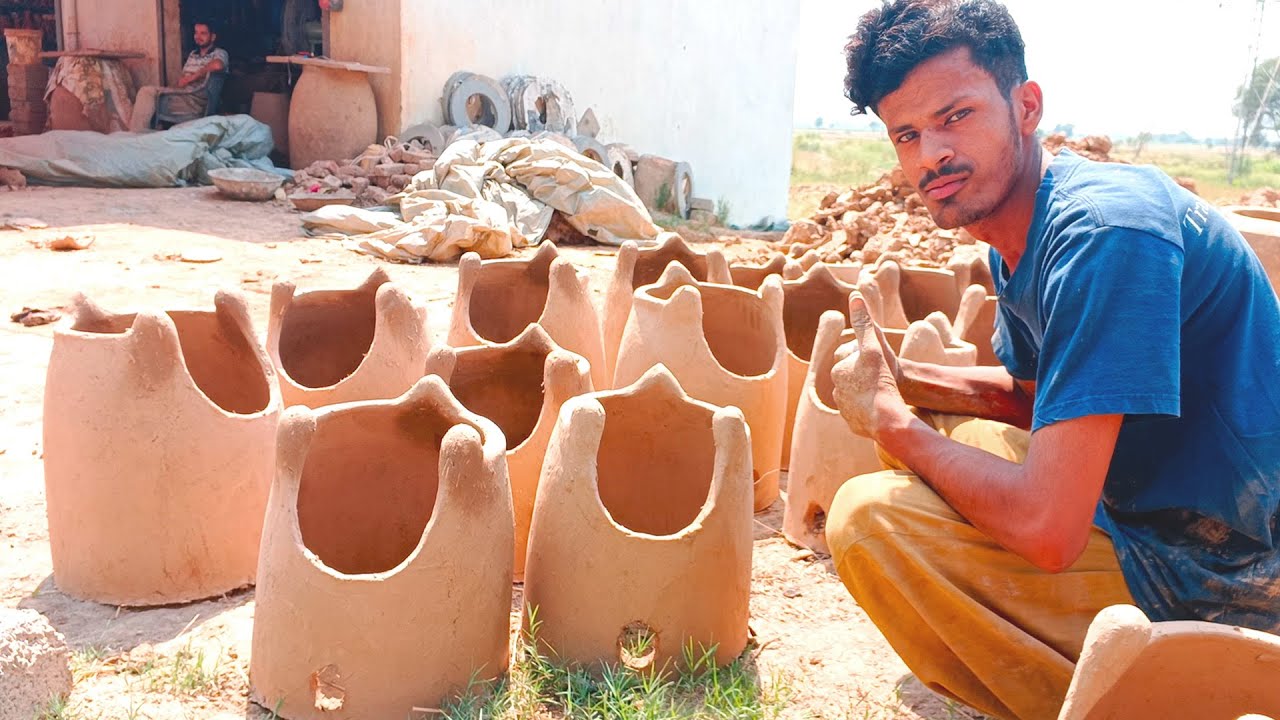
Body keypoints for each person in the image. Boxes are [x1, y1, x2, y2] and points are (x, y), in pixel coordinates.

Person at [823, 1, 1280, 719]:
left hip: (1231, 576)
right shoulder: (1023, 232)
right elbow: (1037, 395)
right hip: (1156, 511)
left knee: (867, 520)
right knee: (956, 435)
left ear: (1026, 106)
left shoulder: (1104, 234)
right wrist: (906, 381)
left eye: (956, 116)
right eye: (906, 134)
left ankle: (1168, 696)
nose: (930, 155)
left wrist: (892, 424)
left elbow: (1048, 528)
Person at [128, 21, 228, 132]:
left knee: (146, 93)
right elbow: (182, 80)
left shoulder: (219, 53)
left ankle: (136, 134)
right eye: (196, 33)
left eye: (203, 33)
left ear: (213, 37)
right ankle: (141, 132)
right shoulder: (193, 54)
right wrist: (174, 87)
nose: (198, 36)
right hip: (183, 96)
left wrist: (192, 77)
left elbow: (218, 65)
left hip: (196, 102)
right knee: (149, 96)